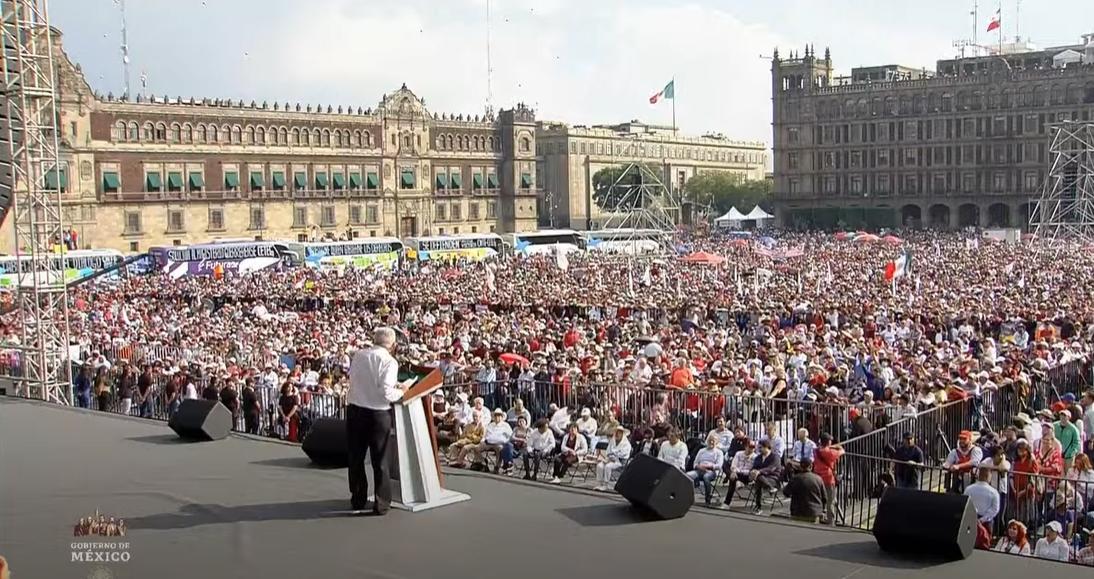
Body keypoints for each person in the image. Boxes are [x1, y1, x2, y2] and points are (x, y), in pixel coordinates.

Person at [345, 327, 412, 515]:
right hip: (377, 414)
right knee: (380, 460)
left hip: (355, 410)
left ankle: (358, 498)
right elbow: (386, 393)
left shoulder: (359, 355)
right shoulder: (389, 362)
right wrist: (402, 391)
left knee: (356, 457)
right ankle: (381, 504)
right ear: (393, 345)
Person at [812, 433, 844, 525]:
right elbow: (841, 452)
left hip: (818, 477)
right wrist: (839, 447)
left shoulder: (816, 450)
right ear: (829, 442)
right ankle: (831, 521)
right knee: (830, 501)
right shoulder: (828, 452)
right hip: (828, 479)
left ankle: (820, 517)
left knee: (819, 499)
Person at [782, 457, 826, 523]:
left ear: (800, 466)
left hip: (797, 512)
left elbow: (786, 492)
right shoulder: (818, 479)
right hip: (814, 513)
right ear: (811, 466)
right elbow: (824, 498)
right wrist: (822, 510)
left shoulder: (795, 478)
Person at [687, 434, 725, 506]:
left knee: (706, 477)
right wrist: (699, 467)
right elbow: (695, 463)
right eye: (710, 440)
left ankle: (707, 498)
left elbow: (719, 465)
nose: (711, 442)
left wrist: (708, 466)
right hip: (699, 470)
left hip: (711, 471)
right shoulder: (701, 451)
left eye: (713, 441)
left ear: (716, 442)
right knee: (688, 475)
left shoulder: (719, 452)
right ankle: (689, 498)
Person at [594, 426, 631, 492]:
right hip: (609, 459)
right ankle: (600, 483)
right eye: (616, 432)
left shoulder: (626, 444)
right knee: (600, 465)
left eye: (619, 433)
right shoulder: (612, 441)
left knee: (608, 467)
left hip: (620, 461)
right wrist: (609, 457)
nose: (617, 434)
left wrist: (614, 457)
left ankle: (606, 484)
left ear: (622, 434)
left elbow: (623, 455)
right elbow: (608, 451)